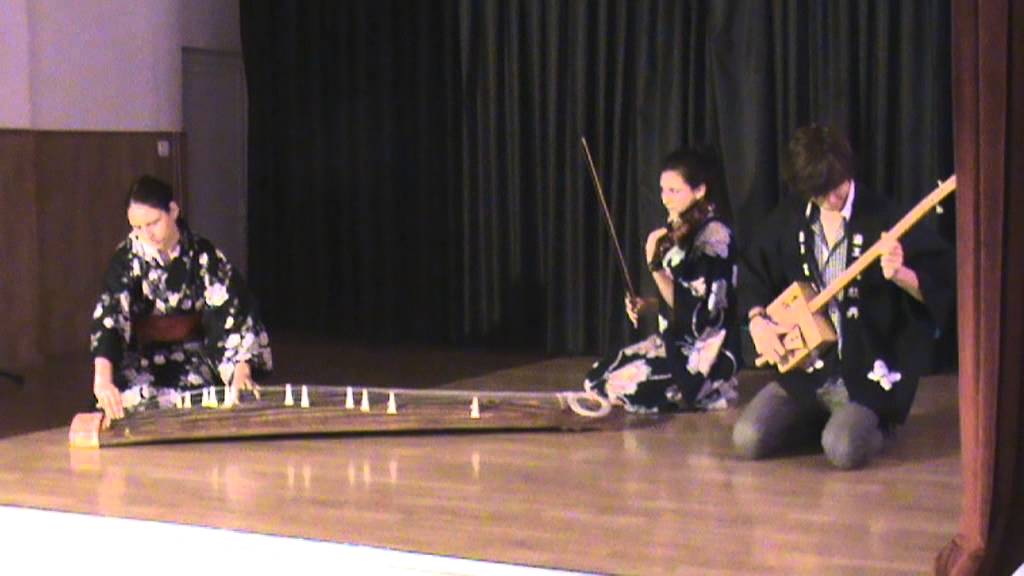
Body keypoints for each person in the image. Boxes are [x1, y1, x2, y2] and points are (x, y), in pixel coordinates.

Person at [732, 124, 953, 469]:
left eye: (837, 186)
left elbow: (941, 283)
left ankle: (872, 423)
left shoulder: (884, 217)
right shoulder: (793, 219)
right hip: (810, 368)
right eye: (821, 194)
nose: (834, 199)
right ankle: (826, 419)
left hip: (864, 367)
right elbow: (752, 270)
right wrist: (758, 319)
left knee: (843, 450)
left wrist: (901, 275)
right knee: (748, 438)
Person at [91, 175, 273, 419]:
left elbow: (232, 313)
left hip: (191, 355)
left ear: (173, 210)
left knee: (202, 401)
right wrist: (102, 380)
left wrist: (241, 372)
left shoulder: (204, 256)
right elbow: (110, 317)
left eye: (153, 222)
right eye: (137, 227)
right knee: (129, 401)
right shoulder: (126, 260)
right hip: (140, 358)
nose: (146, 234)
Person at [584, 146, 740, 413]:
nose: (665, 199)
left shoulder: (714, 237)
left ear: (699, 190)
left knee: (622, 388)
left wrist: (654, 266)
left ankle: (708, 388)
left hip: (702, 351)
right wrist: (649, 305)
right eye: (662, 190)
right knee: (597, 378)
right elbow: (681, 295)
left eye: (674, 191)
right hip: (674, 339)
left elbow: (696, 309)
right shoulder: (682, 230)